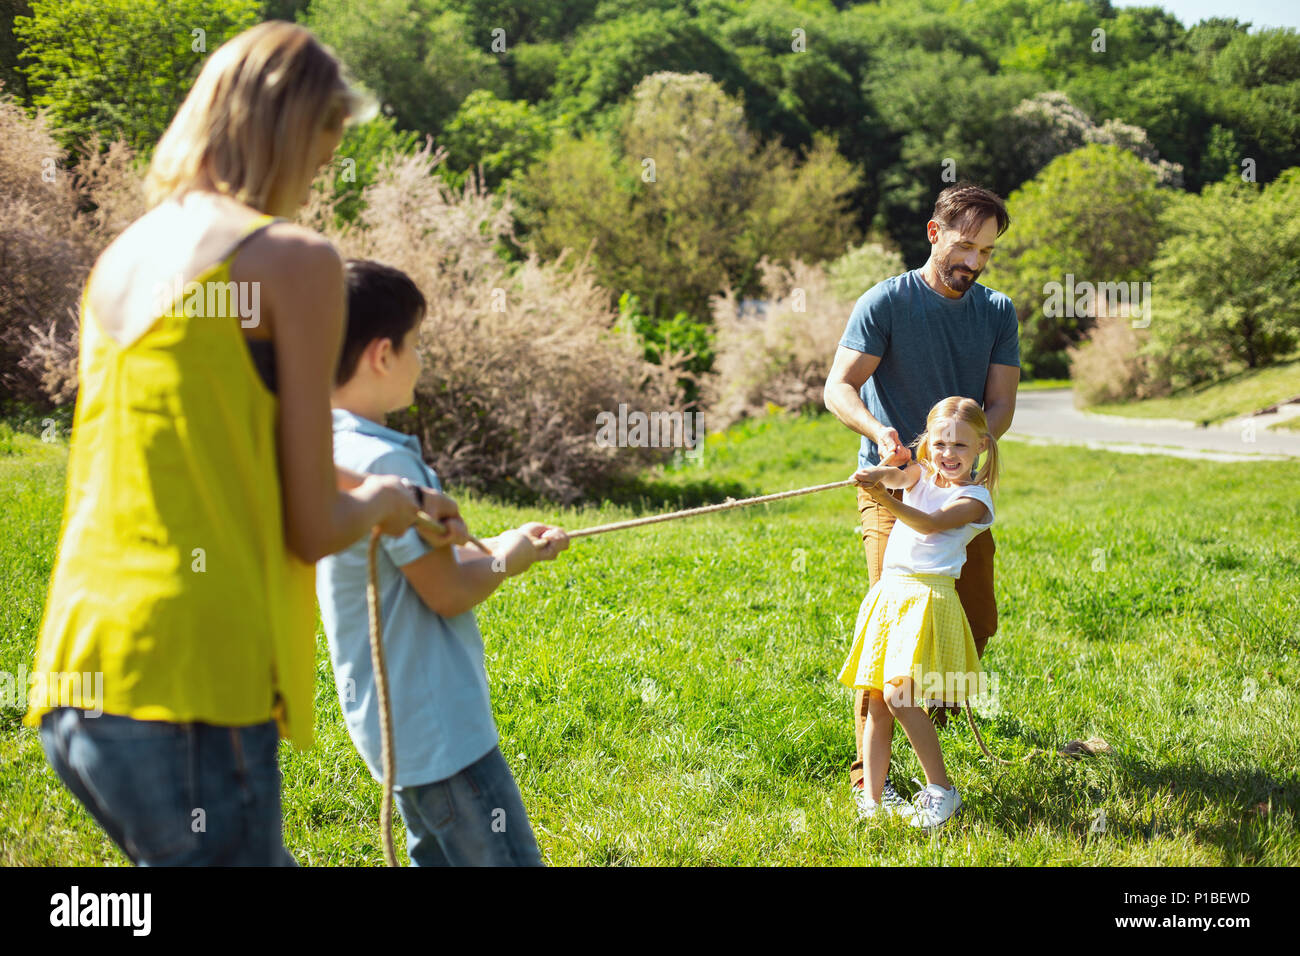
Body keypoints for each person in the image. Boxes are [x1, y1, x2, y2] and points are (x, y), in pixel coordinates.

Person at [24, 22, 465, 866]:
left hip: (83, 676)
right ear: (294, 133)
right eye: (323, 153)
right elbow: (313, 524)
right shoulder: (291, 261)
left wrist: (406, 498)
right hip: (198, 683)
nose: (315, 182)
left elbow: (226, 444)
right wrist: (379, 501)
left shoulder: (122, 257)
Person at [316, 259, 569, 866]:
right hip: (442, 733)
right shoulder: (383, 464)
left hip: (398, 729)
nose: (421, 361)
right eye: (416, 345)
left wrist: (501, 543)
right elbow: (447, 591)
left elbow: (429, 563)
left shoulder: (328, 447)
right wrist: (512, 558)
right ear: (382, 355)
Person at [822, 182, 1020, 818]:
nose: (974, 262)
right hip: (895, 485)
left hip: (956, 487)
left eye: (986, 251)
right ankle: (868, 782)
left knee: (976, 620)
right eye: (965, 245)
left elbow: (1001, 406)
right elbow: (839, 388)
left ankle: (924, 720)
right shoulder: (887, 301)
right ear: (935, 235)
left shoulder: (997, 311)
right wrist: (882, 435)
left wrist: (967, 456)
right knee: (891, 635)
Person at [838, 396, 1001, 829]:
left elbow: (929, 524)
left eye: (961, 447)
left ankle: (942, 790)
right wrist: (877, 474)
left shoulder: (976, 499)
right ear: (929, 444)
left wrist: (882, 497)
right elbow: (897, 474)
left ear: (982, 446)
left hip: (928, 599)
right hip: (891, 595)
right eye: (941, 444)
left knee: (899, 696)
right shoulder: (921, 473)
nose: (949, 455)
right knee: (877, 698)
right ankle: (872, 802)